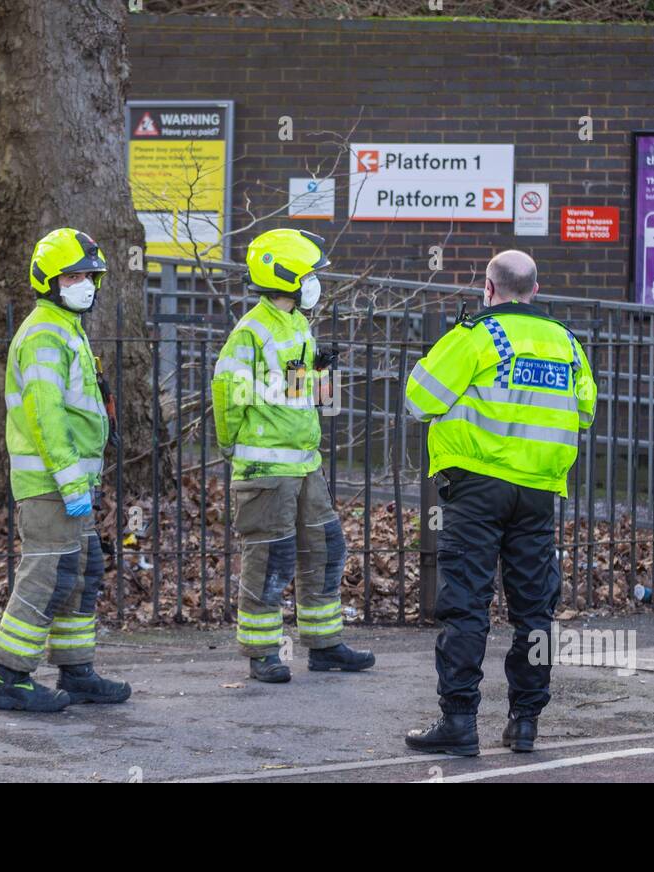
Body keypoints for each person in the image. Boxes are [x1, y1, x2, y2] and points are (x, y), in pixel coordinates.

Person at [403, 250, 596, 754]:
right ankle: (526, 722)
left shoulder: (476, 336)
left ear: (488, 289)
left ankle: (459, 723)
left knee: (466, 604)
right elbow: (585, 412)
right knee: (535, 610)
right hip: (537, 493)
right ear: (535, 289)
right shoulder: (568, 344)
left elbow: (419, 399)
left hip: (476, 487)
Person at [210, 228, 375, 683]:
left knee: (325, 547)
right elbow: (228, 393)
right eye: (310, 275)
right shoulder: (252, 331)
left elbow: (297, 394)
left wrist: (320, 375)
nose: (315, 283)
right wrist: (236, 448)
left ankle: (324, 645)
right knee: (271, 557)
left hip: (304, 463)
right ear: (284, 277)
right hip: (268, 468)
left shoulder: (297, 324)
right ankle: (262, 651)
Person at [0, 227, 131, 711]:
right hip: (51, 484)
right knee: (48, 574)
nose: (86, 283)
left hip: (71, 482)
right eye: (73, 275)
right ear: (49, 280)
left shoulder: (66, 329)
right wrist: (72, 480)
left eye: (90, 275)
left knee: (81, 570)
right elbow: (46, 416)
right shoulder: (46, 334)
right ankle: (11, 678)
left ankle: (76, 671)